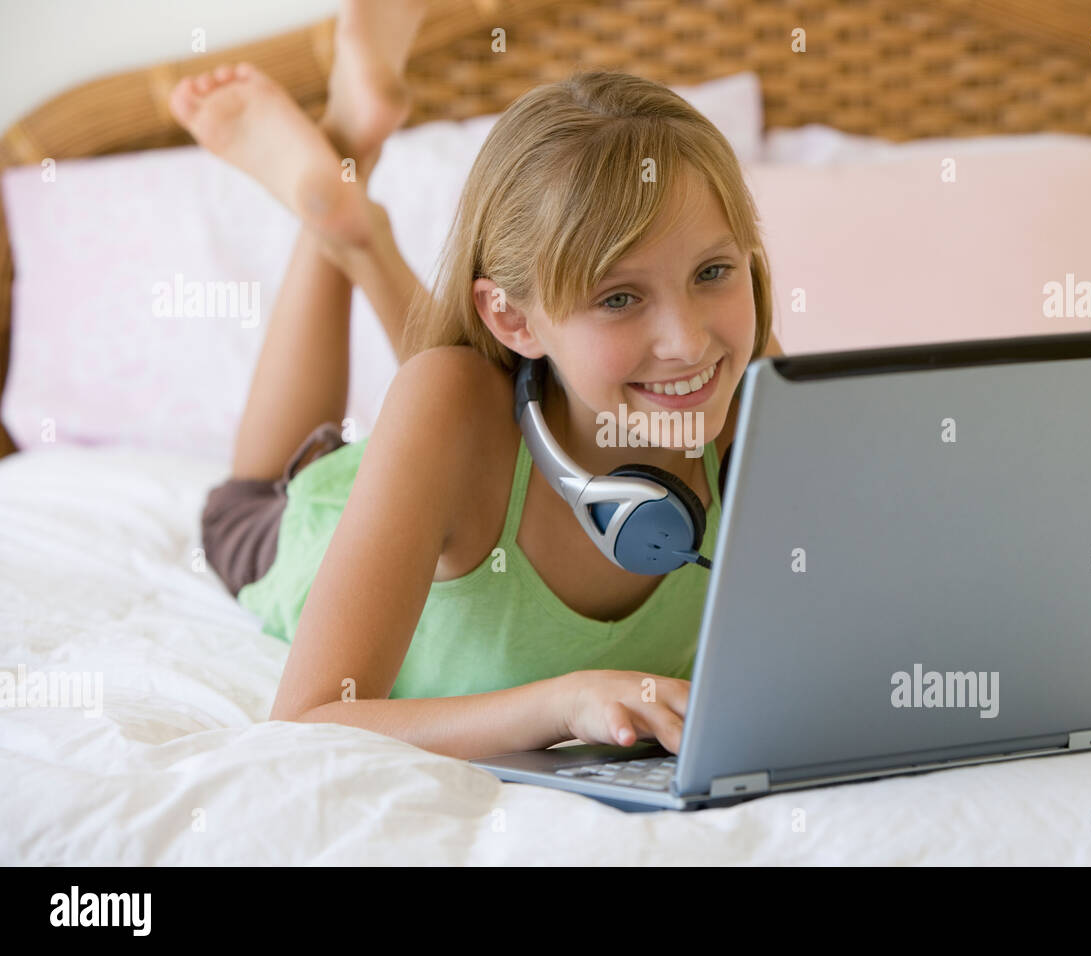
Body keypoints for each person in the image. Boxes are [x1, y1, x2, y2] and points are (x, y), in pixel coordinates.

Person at [177, 0, 782, 761]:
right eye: (619, 297)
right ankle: (346, 203)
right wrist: (566, 701)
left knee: (463, 392)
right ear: (512, 320)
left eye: (714, 272)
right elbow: (307, 718)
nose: (689, 341)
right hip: (302, 524)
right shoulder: (446, 401)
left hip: (469, 443)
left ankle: (354, 215)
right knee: (259, 487)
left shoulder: (754, 388)